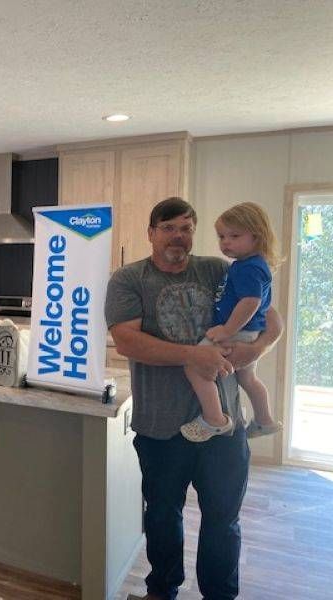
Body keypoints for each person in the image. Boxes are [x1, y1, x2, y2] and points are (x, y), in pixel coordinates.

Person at [104, 197, 282, 600]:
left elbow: (272, 320)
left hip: (224, 427)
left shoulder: (220, 269)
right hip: (160, 426)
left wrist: (255, 350)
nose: (177, 236)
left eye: (185, 228)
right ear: (151, 233)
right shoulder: (129, 279)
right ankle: (162, 591)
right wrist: (192, 355)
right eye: (168, 228)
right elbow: (127, 341)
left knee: (223, 521)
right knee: (162, 517)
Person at [181, 202, 283, 442]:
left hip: (237, 333)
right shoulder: (248, 265)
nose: (226, 242)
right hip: (248, 332)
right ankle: (265, 420)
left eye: (234, 236)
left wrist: (227, 330)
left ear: (257, 237)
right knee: (248, 378)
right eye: (222, 236)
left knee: (195, 366)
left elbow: (251, 302)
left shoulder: (248, 268)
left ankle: (214, 420)